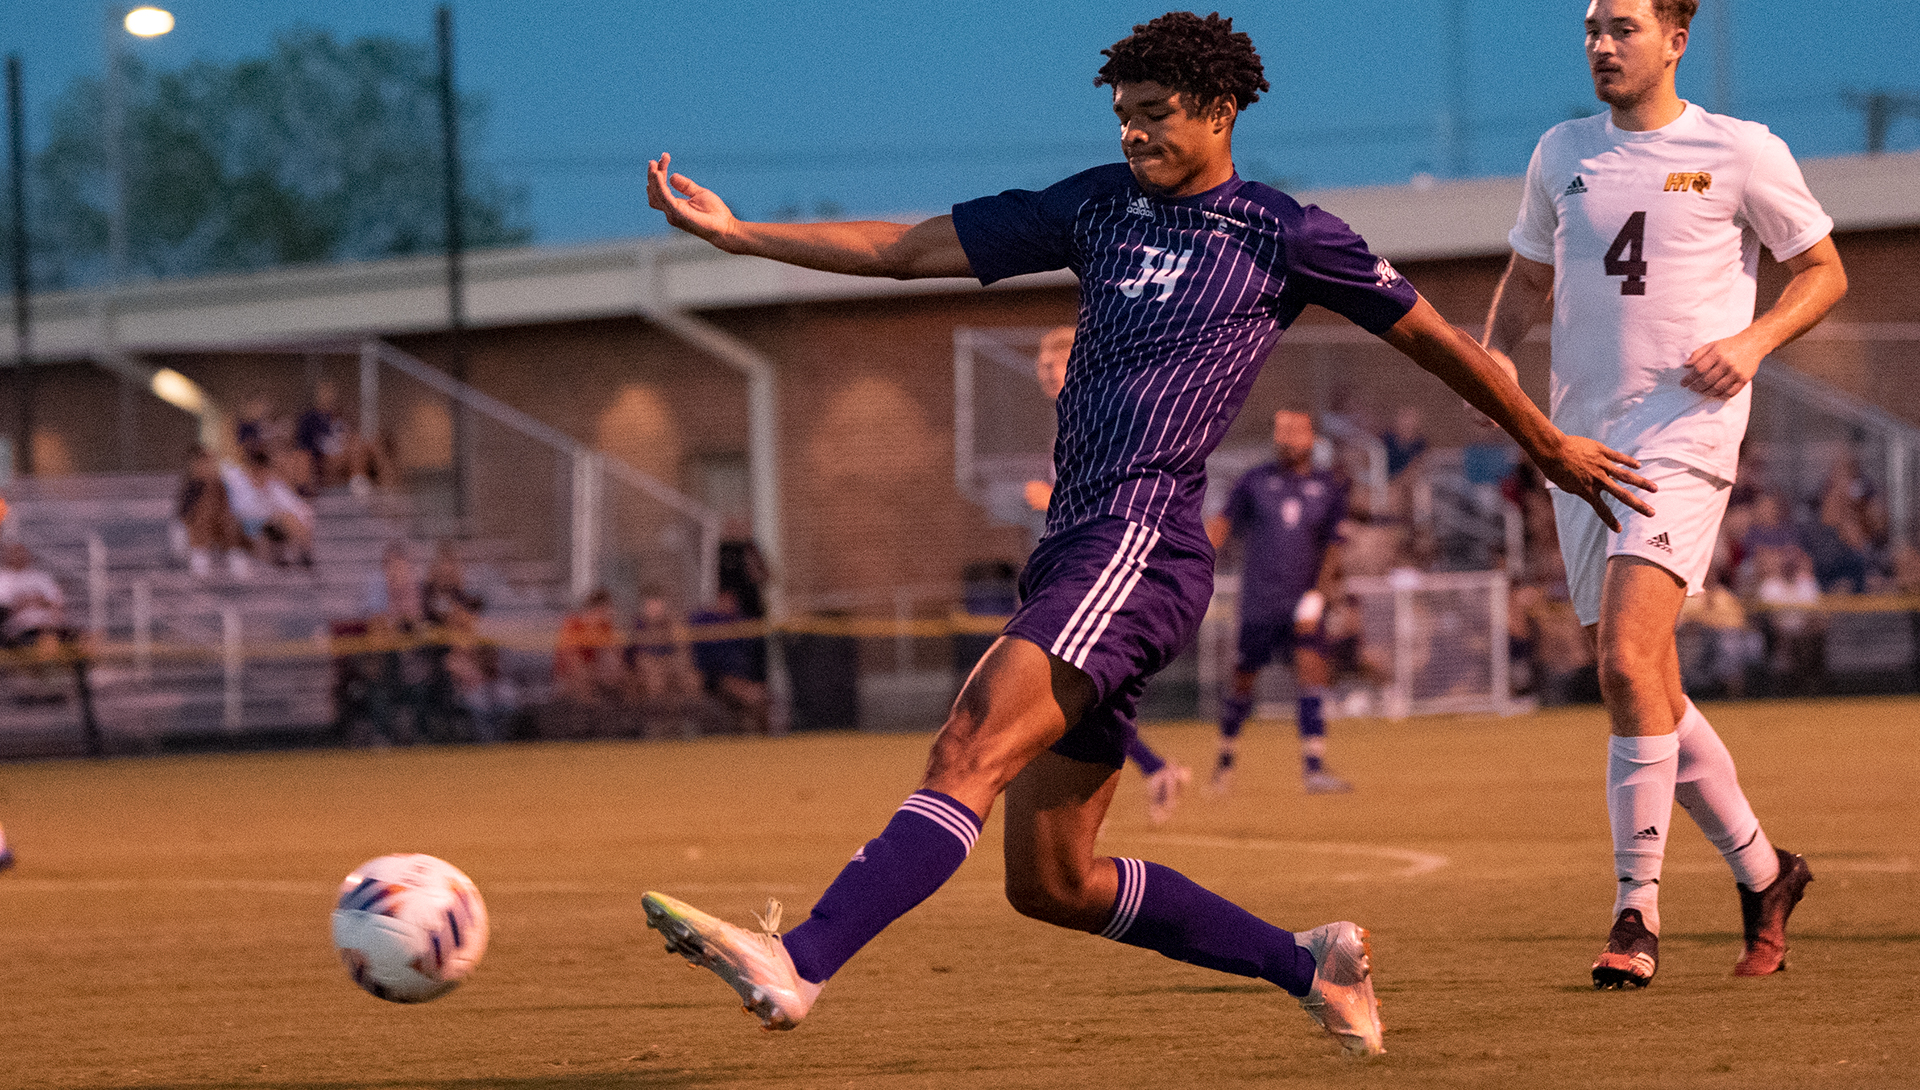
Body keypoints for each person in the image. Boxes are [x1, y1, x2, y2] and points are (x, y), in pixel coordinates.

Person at [639, 11, 1648, 1055]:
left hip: (1141, 540)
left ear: (1220, 111)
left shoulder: (1283, 233)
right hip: (1077, 551)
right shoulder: (1097, 206)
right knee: (1053, 882)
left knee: (968, 745)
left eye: (1155, 112)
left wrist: (1547, 444)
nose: (1132, 131)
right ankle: (1313, 966)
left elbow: (1440, 342)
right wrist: (742, 235)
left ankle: (801, 959)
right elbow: (913, 248)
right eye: (1123, 114)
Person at [1479, 0, 1847, 989]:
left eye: (1625, 28)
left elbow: (1823, 271)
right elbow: (1526, 277)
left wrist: (1753, 342)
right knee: (1650, 687)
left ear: (1677, 40)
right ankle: (1767, 873)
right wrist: (1492, 357)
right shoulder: (1561, 152)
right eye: (1593, 28)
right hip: (1577, 445)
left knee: (1624, 661)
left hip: (1683, 435)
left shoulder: (1741, 150)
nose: (1602, 44)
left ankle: (1636, 911)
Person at [1027, 322, 1193, 824]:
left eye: (1053, 362)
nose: (1044, 372)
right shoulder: (1072, 418)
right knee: (1084, 691)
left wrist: (1048, 500)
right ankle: (1155, 770)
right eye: (1041, 364)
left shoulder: (1097, 410)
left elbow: (1106, 496)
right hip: (1078, 563)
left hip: (1104, 565)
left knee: (1059, 685)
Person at [1207, 411, 1353, 795]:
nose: (1286, 439)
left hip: (1302, 602)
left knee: (1311, 672)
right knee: (1242, 681)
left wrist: (1318, 596)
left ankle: (1314, 770)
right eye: (1281, 432)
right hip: (1259, 602)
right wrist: (1194, 562)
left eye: (1294, 431)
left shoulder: (1329, 486)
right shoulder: (1254, 481)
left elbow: (1334, 549)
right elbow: (1221, 527)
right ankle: (1224, 765)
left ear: (1311, 437)